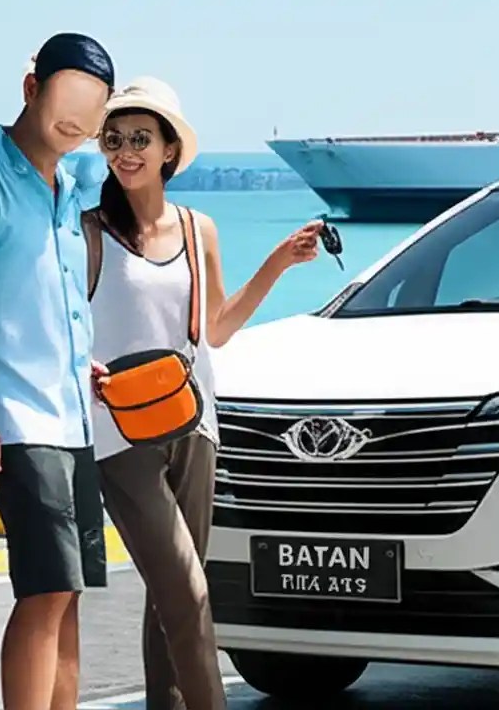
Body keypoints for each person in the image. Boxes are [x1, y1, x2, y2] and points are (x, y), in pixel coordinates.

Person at [83, 76, 322, 710]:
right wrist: (80, 367)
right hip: (119, 434)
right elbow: (58, 322)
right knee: (187, 590)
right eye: (114, 138)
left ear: (169, 150)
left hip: (195, 427)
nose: (125, 150)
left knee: (170, 598)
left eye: (141, 138)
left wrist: (276, 263)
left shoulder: (199, 230)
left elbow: (215, 328)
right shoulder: (89, 233)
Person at [0, 33, 115, 710]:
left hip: (71, 419)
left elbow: (40, 299)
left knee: (68, 598)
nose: (75, 124)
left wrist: (77, 356)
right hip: (14, 417)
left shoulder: (68, 189)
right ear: (32, 88)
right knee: (43, 591)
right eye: (67, 102)